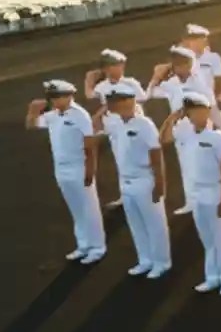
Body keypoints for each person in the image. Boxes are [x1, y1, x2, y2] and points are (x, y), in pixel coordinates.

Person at [160, 92, 221, 295]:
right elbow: (164, 139)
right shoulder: (185, 132)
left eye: (198, 110)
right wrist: (172, 118)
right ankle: (212, 278)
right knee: (207, 239)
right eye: (190, 111)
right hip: (197, 194)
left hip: (215, 191)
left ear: (206, 111)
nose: (195, 115)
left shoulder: (217, 137)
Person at [26, 79, 106, 264]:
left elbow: (90, 146)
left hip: (79, 167)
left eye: (57, 97)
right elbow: (31, 125)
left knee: (89, 209)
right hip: (61, 168)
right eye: (51, 97)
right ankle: (83, 245)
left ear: (69, 96)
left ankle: (97, 247)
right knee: (76, 209)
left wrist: (90, 170)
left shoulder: (80, 115)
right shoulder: (53, 116)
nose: (53, 101)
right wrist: (32, 109)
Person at [96, 84, 170, 278]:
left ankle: (161, 262)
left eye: (114, 101)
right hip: (126, 181)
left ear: (128, 101)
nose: (111, 105)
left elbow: (156, 154)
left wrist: (160, 183)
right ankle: (145, 260)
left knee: (154, 224)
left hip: (145, 179)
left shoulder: (144, 124)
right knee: (136, 224)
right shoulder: (116, 123)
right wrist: (104, 110)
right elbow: (94, 126)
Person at [147, 44, 214, 215]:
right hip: (180, 129)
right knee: (186, 164)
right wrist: (157, 76)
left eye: (182, 64)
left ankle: (210, 198)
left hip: (198, 126)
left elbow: (210, 103)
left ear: (190, 64)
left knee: (201, 163)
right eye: (175, 65)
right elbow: (150, 94)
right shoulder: (171, 83)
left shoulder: (199, 81)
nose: (178, 68)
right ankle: (191, 201)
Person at [84, 48, 146, 208]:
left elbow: (140, 99)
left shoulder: (130, 83)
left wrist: (98, 117)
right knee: (122, 162)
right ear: (105, 69)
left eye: (120, 65)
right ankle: (127, 195)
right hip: (115, 128)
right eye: (114, 66)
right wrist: (88, 79)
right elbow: (90, 94)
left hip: (133, 126)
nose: (119, 69)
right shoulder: (102, 86)